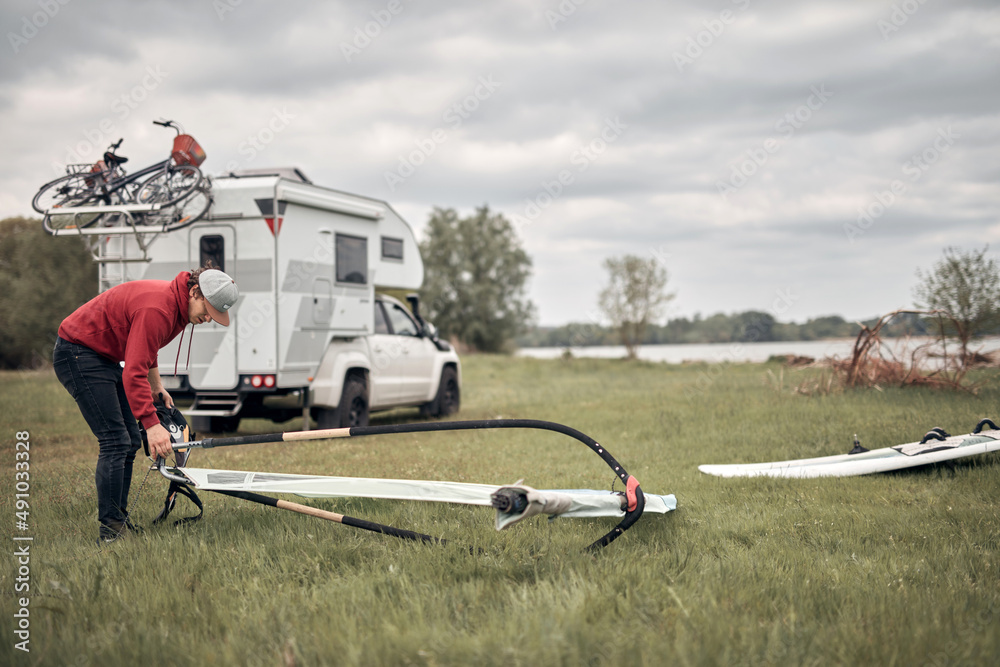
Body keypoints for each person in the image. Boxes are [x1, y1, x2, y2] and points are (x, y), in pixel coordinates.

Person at [53, 266, 239, 543]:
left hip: (102, 356)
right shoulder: (160, 308)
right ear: (195, 292)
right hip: (78, 352)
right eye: (208, 310)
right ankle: (111, 531)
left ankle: (119, 520)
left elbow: (146, 348)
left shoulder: (178, 307)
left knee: (129, 440)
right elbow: (133, 372)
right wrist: (152, 425)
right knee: (115, 440)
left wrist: (157, 386)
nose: (208, 318)